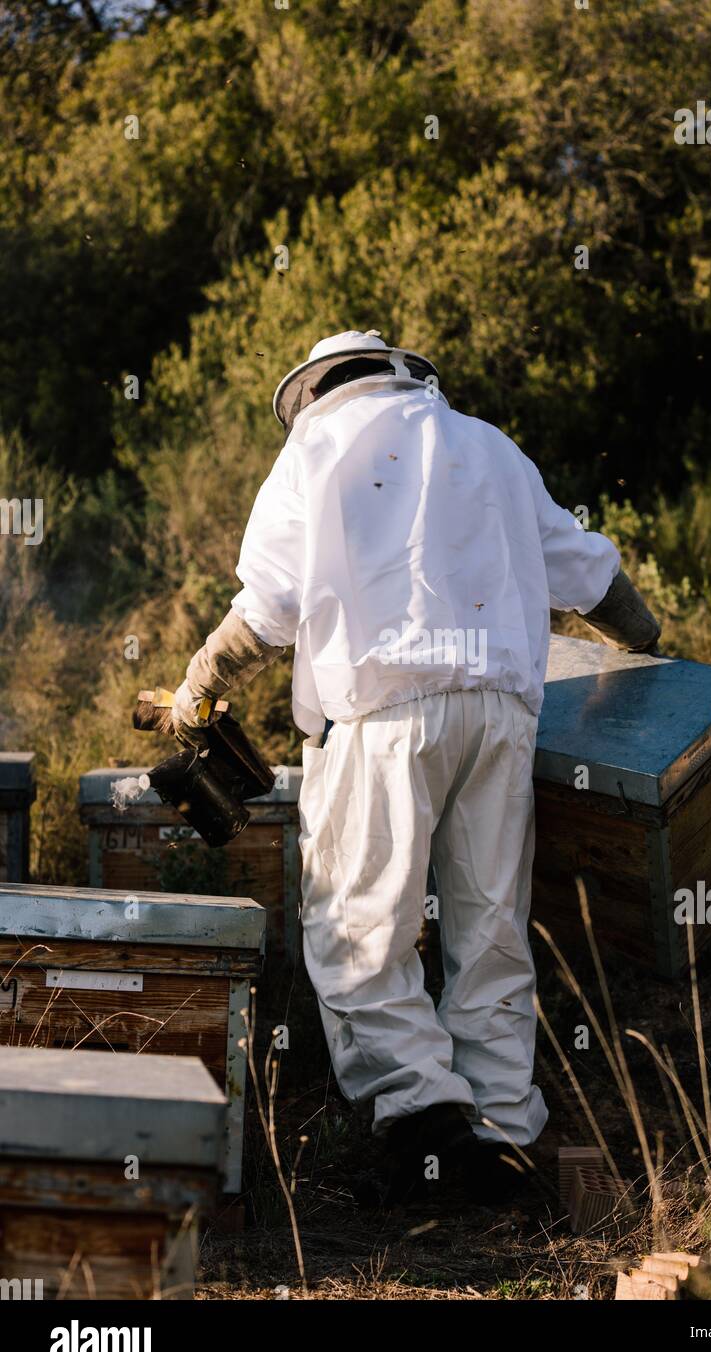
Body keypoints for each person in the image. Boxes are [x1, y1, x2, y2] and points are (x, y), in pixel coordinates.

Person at [172, 330, 661, 1204]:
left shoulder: (316, 450)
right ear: (406, 374)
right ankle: (507, 1130)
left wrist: (198, 680)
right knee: (489, 930)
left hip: (384, 711)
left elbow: (271, 607)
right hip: (502, 714)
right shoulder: (490, 446)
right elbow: (590, 573)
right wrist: (649, 644)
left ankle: (428, 1129)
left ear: (316, 389)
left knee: (362, 926)